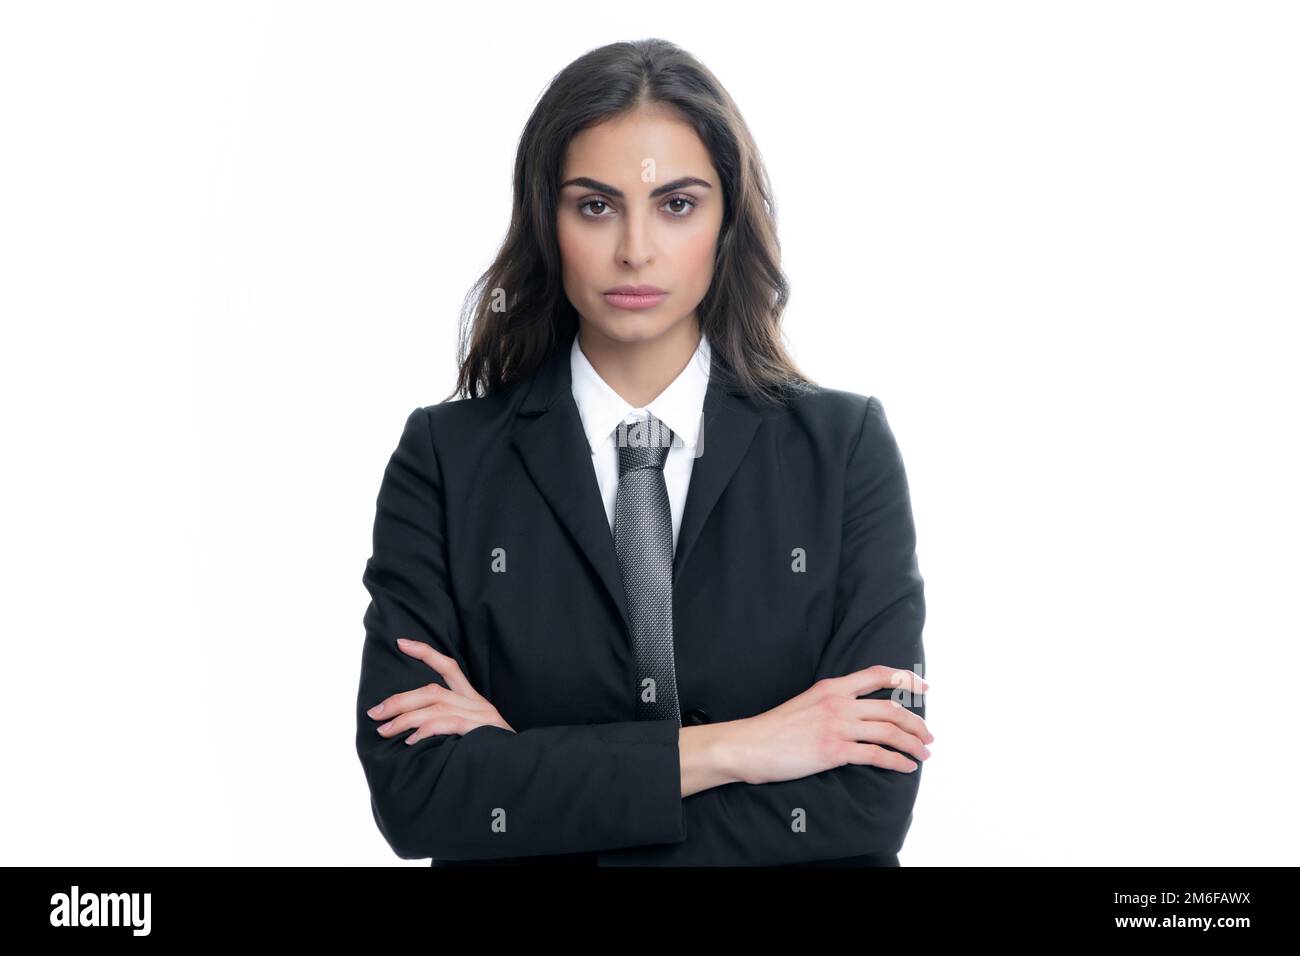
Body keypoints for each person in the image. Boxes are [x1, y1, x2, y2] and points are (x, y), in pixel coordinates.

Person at [355, 38, 931, 866]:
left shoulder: (844, 452)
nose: (635, 249)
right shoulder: (445, 462)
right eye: (595, 205)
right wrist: (741, 748)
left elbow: (868, 806)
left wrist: (527, 769)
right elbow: (421, 799)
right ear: (547, 222)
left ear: (727, 219)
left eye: (677, 204)